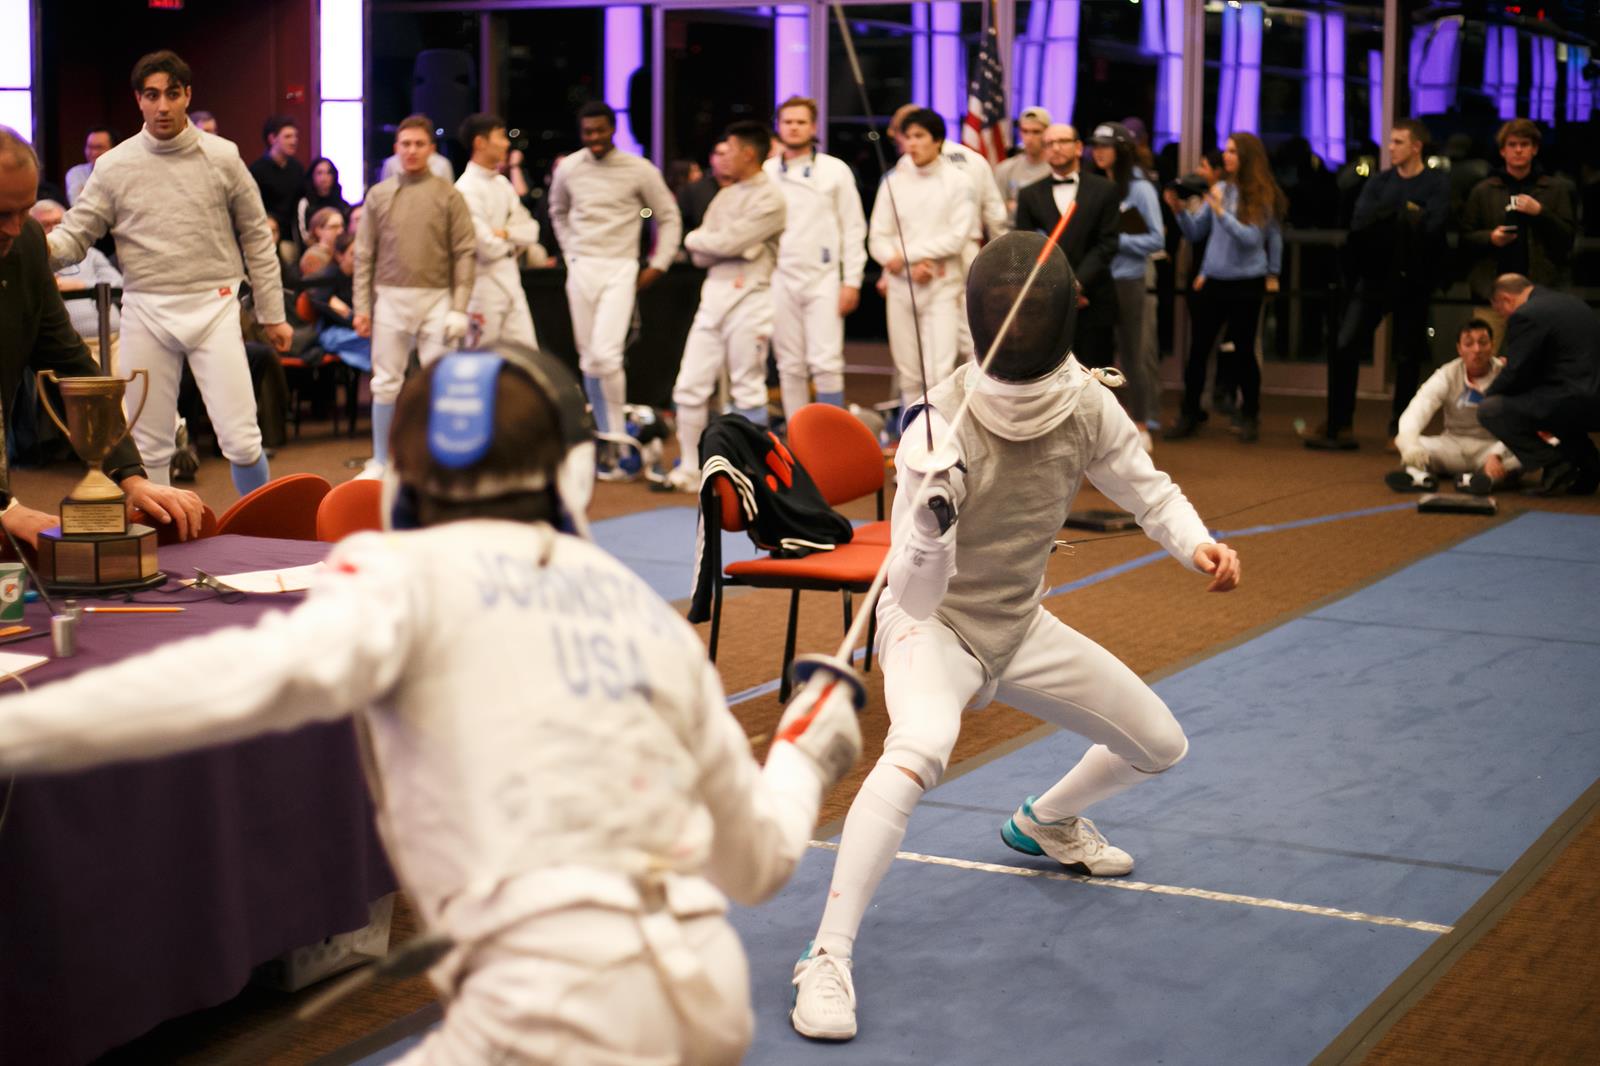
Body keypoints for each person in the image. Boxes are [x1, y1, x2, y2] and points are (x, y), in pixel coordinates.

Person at [0, 342, 865, 1065]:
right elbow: (758, 863)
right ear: (568, 475)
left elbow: (211, 689)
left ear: (410, 477)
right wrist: (801, 753)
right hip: (697, 1003)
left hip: (548, 1015)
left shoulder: (406, 586)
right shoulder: (646, 619)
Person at [788, 232, 1239, 1042]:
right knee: (919, 745)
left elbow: (1149, 489)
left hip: (1021, 624)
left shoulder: (1086, 401)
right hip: (937, 628)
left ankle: (1046, 821)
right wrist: (928, 525)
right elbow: (918, 598)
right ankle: (825, 954)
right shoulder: (939, 430)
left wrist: (1196, 542)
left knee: (1159, 743)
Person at [46, 50, 288, 495]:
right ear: (138, 100)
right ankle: (160, 545)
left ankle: (263, 533)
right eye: (152, 95)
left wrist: (274, 314)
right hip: (145, 307)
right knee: (148, 445)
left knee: (241, 437)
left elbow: (256, 236)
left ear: (186, 96)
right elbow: (75, 234)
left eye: (172, 95)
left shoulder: (223, 156)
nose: (162, 106)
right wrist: (28, 249)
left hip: (213, 306)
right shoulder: (114, 165)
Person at [0, 126, 204, 545]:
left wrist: (130, 475)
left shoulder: (29, 243)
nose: (15, 229)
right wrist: (5, 509)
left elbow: (72, 362)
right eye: (2, 214)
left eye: (25, 211)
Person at [1308, 119, 1448, 450]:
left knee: (1408, 356)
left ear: (1416, 146)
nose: (1390, 147)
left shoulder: (1435, 183)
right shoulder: (1380, 182)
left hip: (1413, 278)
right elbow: (1361, 222)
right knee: (1345, 344)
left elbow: (1433, 225)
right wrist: (1404, 215)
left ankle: (1399, 430)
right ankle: (1339, 422)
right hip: (1374, 277)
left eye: (1398, 142)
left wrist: (1397, 217)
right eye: (1391, 141)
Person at [548, 101, 682, 445]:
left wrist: (660, 263)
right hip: (581, 266)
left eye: (600, 130)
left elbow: (668, 216)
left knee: (606, 355)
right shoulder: (569, 168)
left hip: (620, 266)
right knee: (589, 358)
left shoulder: (639, 169)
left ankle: (618, 436)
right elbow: (558, 211)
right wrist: (570, 251)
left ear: (613, 129)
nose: (594, 137)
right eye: (587, 132)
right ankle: (605, 436)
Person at [353, 113, 477, 475]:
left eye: (419, 144)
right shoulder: (378, 196)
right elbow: (364, 255)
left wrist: (459, 308)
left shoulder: (449, 195)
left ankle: (441, 459)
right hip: (390, 297)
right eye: (405, 144)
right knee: (385, 381)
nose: (411, 150)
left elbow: (464, 252)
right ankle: (381, 460)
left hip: (437, 298)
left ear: (431, 150)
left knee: (441, 381)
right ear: (396, 149)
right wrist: (362, 307)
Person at [666, 121, 787, 490]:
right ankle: (690, 467)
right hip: (714, 296)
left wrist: (715, 242)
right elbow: (701, 251)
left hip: (751, 298)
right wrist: (708, 241)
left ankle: (749, 470)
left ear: (748, 153)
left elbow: (731, 241)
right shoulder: (725, 195)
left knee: (747, 386)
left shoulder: (771, 197)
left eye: (729, 149)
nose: (724, 157)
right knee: (689, 384)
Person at [1162, 131, 1284, 443]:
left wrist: (1220, 211)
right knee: (1198, 350)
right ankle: (1189, 413)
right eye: (1226, 150)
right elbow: (1196, 233)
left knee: (1243, 351)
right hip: (1213, 281)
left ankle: (1250, 414)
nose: (1226, 156)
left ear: (1246, 157)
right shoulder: (1219, 188)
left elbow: (1250, 239)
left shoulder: (1261, 194)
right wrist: (1179, 211)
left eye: (1232, 151)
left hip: (1246, 283)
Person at [763, 96, 867, 422]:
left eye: (800, 122)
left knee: (826, 362)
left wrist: (852, 281)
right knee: (789, 364)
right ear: (778, 127)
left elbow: (853, 228)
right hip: (779, 278)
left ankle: (832, 438)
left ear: (813, 127)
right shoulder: (766, 172)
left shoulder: (835, 170)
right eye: (788, 122)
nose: (793, 127)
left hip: (823, 278)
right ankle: (798, 437)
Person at [869, 109, 975, 413]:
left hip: (941, 283)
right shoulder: (893, 181)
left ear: (937, 141)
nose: (912, 144)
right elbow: (877, 236)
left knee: (938, 370)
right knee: (908, 371)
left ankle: (942, 438)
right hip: (902, 285)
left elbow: (957, 236)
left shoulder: (958, 182)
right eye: (908, 137)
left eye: (920, 137)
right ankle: (911, 439)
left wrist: (907, 255)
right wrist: (901, 264)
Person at [1477, 274, 1600, 496]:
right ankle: (1588, 467)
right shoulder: (1573, 302)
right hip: (1592, 398)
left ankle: (1557, 464)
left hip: (1569, 399)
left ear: (1506, 299)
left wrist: (1487, 395)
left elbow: (1517, 372)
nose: (1503, 318)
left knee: (1491, 410)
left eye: (1499, 311)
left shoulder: (1526, 315)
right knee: (1549, 408)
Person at [1461, 119, 1577, 351]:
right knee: (1483, 356)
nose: (1518, 150)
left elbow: (1568, 238)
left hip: (1539, 291)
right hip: (1491, 291)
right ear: (1503, 150)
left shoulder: (1555, 189)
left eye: (1525, 144)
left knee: (1539, 361)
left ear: (1534, 149)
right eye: (1512, 145)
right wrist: (1491, 238)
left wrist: (1541, 213)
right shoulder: (1484, 190)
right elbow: (1464, 239)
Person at [1014, 123, 1121, 369]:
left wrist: (1078, 284)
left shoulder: (1105, 189)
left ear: (1079, 147)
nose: (1056, 148)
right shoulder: (1029, 194)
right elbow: (1026, 248)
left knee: (1096, 378)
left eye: (1062, 141)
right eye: (1049, 143)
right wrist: (1060, 288)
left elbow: (1107, 244)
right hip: (1047, 303)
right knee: (1048, 375)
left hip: (1094, 300)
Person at [1088, 122, 1164, 449]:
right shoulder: (1089, 185)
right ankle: (1102, 427)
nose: (1099, 152)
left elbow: (1157, 239)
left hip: (1128, 279)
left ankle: (1142, 423)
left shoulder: (1140, 187)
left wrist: (1114, 241)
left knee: (1133, 353)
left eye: (1106, 146)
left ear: (1121, 151)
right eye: (1095, 145)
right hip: (1096, 281)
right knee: (1095, 357)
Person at [1386, 319, 1519, 494]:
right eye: (1469, 344)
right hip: (1454, 445)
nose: (1477, 350)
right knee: (1412, 441)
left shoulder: (1506, 373)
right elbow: (1420, 406)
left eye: (1483, 343)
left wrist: (1497, 454)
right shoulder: (1447, 374)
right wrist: (1410, 443)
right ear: (1459, 349)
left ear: (1492, 345)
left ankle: (1482, 481)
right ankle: (1421, 478)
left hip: (1492, 447)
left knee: (1524, 454)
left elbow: (1519, 422)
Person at [456, 112, 541, 350]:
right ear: (480, 142)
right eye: (501, 137)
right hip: (482, 288)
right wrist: (512, 240)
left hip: (512, 282)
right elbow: (486, 247)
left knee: (527, 358)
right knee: (480, 361)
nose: (506, 143)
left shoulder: (503, 184)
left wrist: (504, 233)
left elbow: (531, 230)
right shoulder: (465, 189)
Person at [248, 115, 306, 248]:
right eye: (288, 137)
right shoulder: (257, 170)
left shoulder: (297, 168)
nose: (294, 141)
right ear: (272, 138)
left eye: (295, 136)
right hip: (268, 233)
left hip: (292, 234)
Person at [991, 106, 1052, 223]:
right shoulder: (1004, 169)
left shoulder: (1055, 170)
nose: (1029, 138)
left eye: (1036, 132)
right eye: (1025, 131)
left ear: (1048, 133)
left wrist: (1016, 207)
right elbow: (995, 213)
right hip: (1010, 235)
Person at [296, 156, 352, 246]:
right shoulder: (305, 203)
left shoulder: (343, 205)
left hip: (340, 249)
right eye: (319, 173)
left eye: (328, 173)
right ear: (312, 177)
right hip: (313, 249)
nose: (324, 178)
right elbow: (302, 235)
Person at [65, 126, 115, 206]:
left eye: (99, 148)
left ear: (114, 149)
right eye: (90, 147)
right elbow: (78, 205)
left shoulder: (123, 172)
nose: (94, 153)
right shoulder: (76, 173)